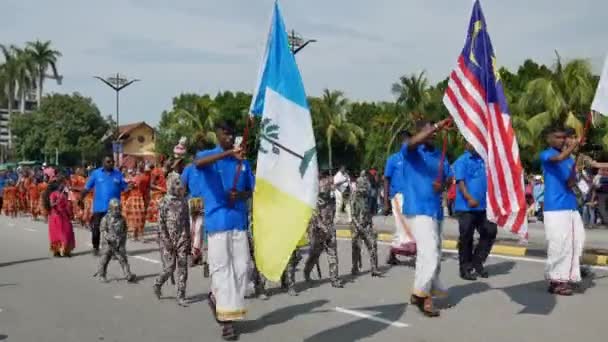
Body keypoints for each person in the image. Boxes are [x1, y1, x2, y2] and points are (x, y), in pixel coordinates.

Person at [194, 120, 254, 340]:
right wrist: (227, 153)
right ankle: (227, 321)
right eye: (225, 134)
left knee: (243, 269)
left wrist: (241, 196)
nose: (230, 138)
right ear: (218, 135)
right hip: (217, 221)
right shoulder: (210, 156)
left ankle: (217, 299)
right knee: (222, 270)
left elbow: (250, 189)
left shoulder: (243, 163)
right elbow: (199, 163)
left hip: (239, 220)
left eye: (232, 135)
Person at [401, 118, 452, 317]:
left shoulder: (440, 155)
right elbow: (412, 143)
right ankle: (424, 296)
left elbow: (448, 177)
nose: (434, 133)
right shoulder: (412, 152)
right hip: (417, 208)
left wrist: (444, 185)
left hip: (435, 211)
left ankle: (418, 291)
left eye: (434, 131)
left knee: (430, 255)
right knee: (429, 253)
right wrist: (436, 127)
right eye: (429, 130)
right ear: (419, 132)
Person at [540, 125, 584, 296]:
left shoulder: (569, 159)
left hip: (571, 206)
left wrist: (576, 162)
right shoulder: (547, 154)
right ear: (549, 139)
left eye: (564, 137)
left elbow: (570, 183)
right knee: (559, 243)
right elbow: (557, 159)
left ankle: (568, 277)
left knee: (576, 242)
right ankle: (556, 280)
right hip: (555, 207)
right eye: (558, 137)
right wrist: (574, 146)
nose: (562, 140)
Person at [453, 143, 497, 281]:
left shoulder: (484, 160)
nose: (477, 145)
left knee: (490, 232)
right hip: (466, 207)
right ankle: (465, 268)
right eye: (473, 142)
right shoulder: (462, 160)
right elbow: (460, 182)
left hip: (484, 207)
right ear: (467, 144)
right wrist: (469, 198)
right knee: (466, 238)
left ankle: (477, 261)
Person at [153, 172, 191, 307]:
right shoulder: (164, 202)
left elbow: (187, 221)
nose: (179, 187)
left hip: (182, 239)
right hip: (167, 239)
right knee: (169, 268)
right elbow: (160, 223)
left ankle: (181, 295)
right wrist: (166, 240)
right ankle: (158, 283)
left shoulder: (184, 201)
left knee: (183, 268)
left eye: (180, 184)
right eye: (176, 183)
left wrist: (188, 240)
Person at [80, 155, 128, 256]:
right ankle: (95, 247)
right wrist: (80, 199)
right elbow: (87, 188)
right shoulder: (96, 174)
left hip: (114, 209)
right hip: (99, 207)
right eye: (108, 162)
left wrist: (130, 187)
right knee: (96, 229)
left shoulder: (118, 174)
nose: (111, 163)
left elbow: (125, 188)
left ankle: (114, 251)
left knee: (115, 231)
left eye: (112, 162)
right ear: (103, 163)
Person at [304, 170, 344, 288]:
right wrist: (322, 227)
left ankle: (334, 279)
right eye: (325, 186)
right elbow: (314, 216)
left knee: (333, 254)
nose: (328, 187)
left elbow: (338, 182)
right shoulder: (315, 200)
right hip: (318, 230)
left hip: (330, 228)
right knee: (314, 254)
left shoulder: (331, 199)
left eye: (328, 186)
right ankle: (307, 271)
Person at [384, 131, 416, 264]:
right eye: (405, 141)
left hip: (413, 196)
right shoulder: (393, 159)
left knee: (412, 225)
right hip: (398, 196)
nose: (408, 143)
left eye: (410, 141)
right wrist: (386, 201)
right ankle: (414, 254)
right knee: (402, 225)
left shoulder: (415, 160)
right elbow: (386, 179)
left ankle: (393, 252)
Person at [96, 199, 137, 283]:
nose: (117, 210)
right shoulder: (105, 218)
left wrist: (122, 240)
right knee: (105, 260)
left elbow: (125, 230)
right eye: (115, 209)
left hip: (119, 243)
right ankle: (102, 275)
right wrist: (108, 238)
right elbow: (103, 230)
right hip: (108, 243)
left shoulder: (122, 219)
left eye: (119, 208)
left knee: (123, 259)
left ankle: (128, 274)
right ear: (110, 208)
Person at [350, 170, 380, 277]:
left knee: (373, 245)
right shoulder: (354, 196)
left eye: (366, 185)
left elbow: (369, 211)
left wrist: (370, 225)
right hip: (356, 226)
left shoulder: (368, 195)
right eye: (363, 185)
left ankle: (374, 268)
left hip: (367, 224)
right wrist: (358, 226)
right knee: (356, 249)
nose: (365, 188)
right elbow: (353, 215)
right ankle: (355, 267)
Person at [181, 161, 207, 269]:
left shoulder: (207, 167)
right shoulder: (189, 169)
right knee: (192, 228)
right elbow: (182, 185)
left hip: (204, 201)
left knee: (199, 229)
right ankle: (195, 253)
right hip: (192, 200)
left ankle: (195, 254)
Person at [44, 175, 76, 257]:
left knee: (68, 232)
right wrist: (56, 203)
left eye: (64, 184)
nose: (64, 185)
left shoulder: (66, 194)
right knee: (58, 234)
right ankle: (57, 251)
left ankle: (66, 250)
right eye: (63, 184)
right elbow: (51, 204)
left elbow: (70, 202)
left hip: (65, 215)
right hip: (56, 216)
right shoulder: (53, 194)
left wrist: (70, 213)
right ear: (58, 185)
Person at [124, 169, 147, 241]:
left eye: (133, 170)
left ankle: (140, 235)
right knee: (133, 217)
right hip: (132, 199)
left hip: (139, 199)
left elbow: (144, 187)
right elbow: (126, 190)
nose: (132, 172)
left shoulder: (140, 177)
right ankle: (135, 235)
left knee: (140, 217)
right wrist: (130, 185)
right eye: (130, 171)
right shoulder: (128, 179)